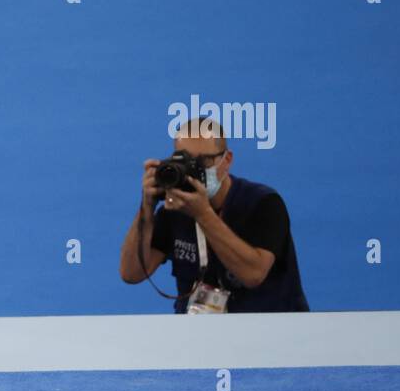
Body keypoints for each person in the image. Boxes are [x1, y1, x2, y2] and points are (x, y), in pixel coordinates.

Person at [119, 115, 309, 313]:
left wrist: (203, 215)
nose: (194, 169)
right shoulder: (175, 208)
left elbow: (253, 274)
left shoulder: (263, 203)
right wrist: (146, 207)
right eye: (185, 160)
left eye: (204, 161)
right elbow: (131, 273)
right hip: (199, 333)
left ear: (226, 160)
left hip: (269, 329)